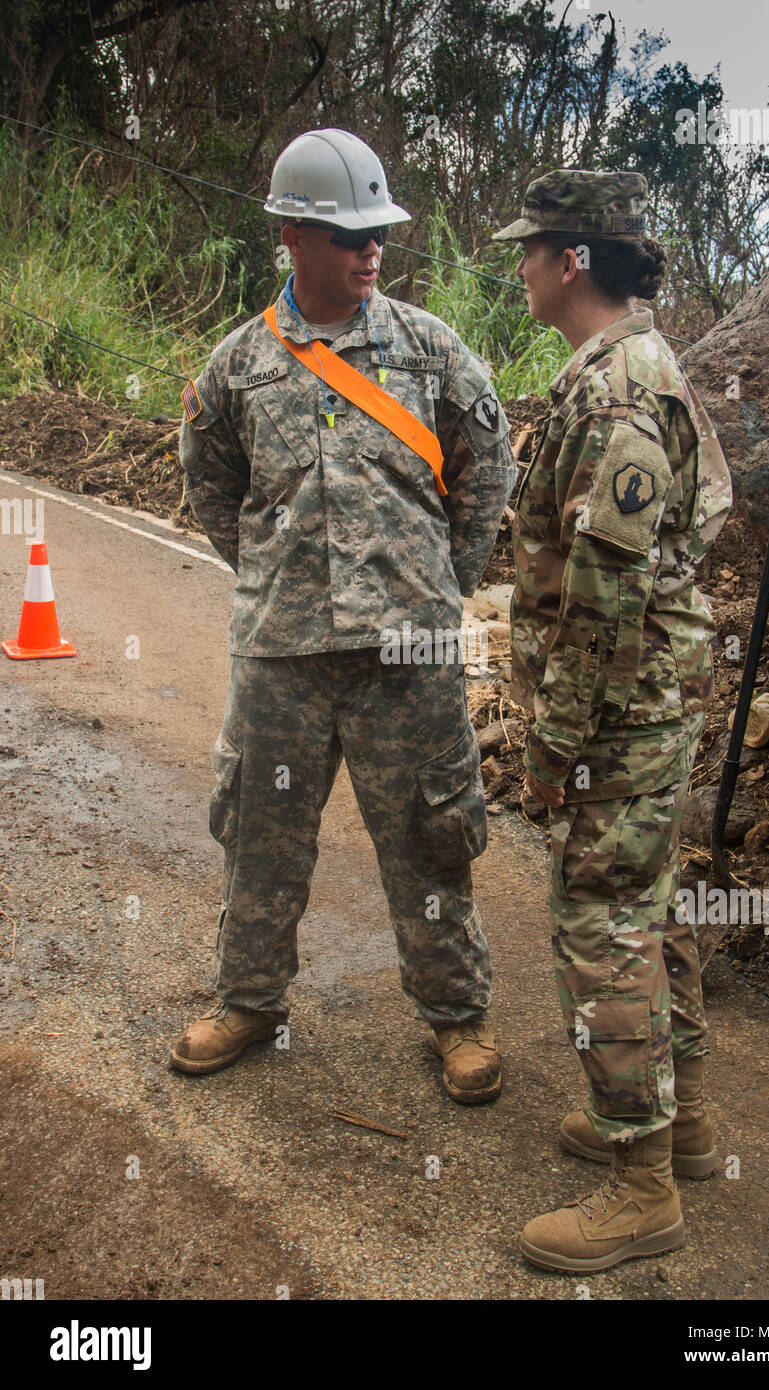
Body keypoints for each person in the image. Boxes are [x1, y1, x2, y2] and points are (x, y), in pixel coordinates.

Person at [172, 128, 516, 1104]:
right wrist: (274, 574)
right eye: (346, 234)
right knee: (259, 825)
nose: (370, 250)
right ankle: (248, 999)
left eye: (377, 232)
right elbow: (210, 483)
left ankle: (457, 1016)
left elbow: (486, 468)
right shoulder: (237, 366)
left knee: (430, 831)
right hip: (281, 651)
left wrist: (438, 576)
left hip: (405, 652)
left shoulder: (427, 349)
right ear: (290, 233)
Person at [492, 170, 732, 1270]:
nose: (523, 265)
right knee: (647, 907)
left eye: (532, 249)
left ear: (571, 261)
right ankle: (676, 1127)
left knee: (603, 928)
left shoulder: (616, 392)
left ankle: (639, 1186)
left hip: (615, 715)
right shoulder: (632, 365)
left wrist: (550, 746)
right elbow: (702, 521)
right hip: (646, 706)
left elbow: (599, 597)